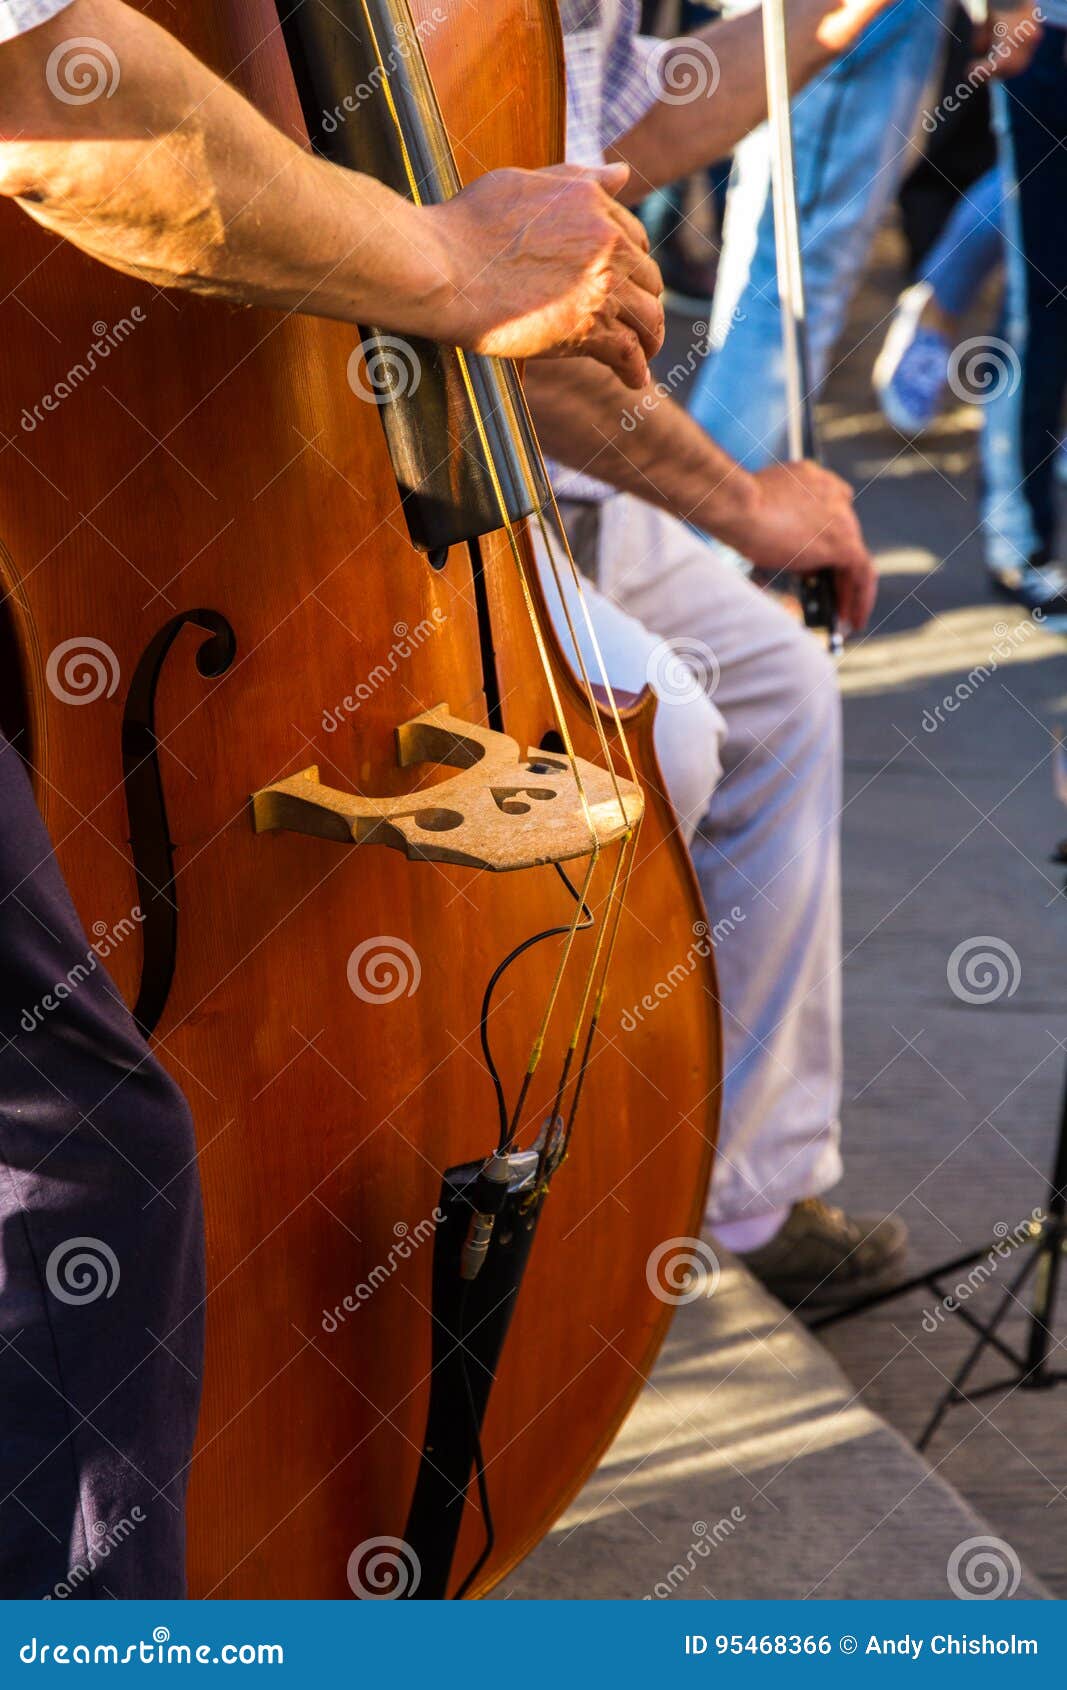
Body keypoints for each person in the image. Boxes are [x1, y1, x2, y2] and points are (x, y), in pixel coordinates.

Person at [0, 0, 666, 1598]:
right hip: (153, 641)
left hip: (289, 626)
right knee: (76, 1161)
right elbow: (47, 91)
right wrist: (442, 261)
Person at [528, 0, 912, 1308]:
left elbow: (633, 122)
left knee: (777, 686)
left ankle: (738, 1189)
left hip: (561, 465)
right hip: (444, 457)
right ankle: (563, 1201)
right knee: (673, 731)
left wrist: (817, 25)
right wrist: (747, 503)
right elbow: (505, 333)